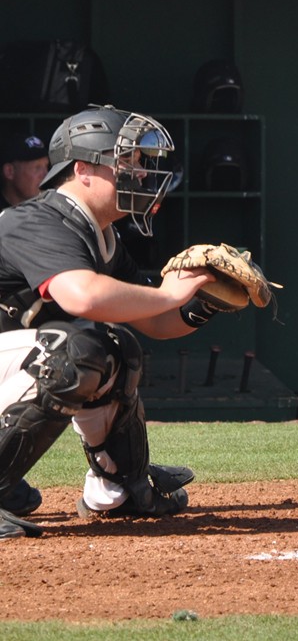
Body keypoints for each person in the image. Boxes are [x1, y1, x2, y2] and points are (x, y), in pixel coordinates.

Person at [0, 106, 218, 539]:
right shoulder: (36, 218)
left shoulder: (101, 234)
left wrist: (202, 300)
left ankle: (117, 487)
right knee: (75, 352)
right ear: (82, 169)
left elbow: (156, 321)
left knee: (117, 347)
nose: (138, 175)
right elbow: (81, 294)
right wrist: (167, 293)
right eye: (126, 163)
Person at [0, 131, 49, 209]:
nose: (45, 175)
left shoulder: (49, 211)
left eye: (46, 166)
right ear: (9, 171)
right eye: (37, 167)